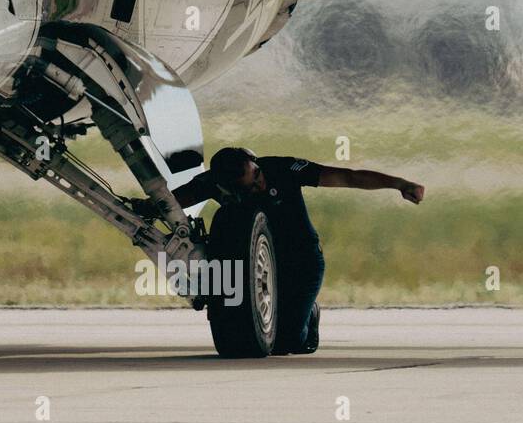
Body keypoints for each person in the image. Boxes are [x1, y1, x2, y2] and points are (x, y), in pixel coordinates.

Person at [173, 148, 425, 355]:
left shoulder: (284, 169)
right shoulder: (210, 184)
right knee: (261, 335)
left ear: (255, 163)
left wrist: (399, 183)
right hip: (260, 265)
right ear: (226, 187)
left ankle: (310, 315)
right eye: (249, 188)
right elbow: (170, 203)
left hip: (303, 260)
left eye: (258, 175)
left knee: (287, 343)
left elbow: (349, 177)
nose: (260, 186)